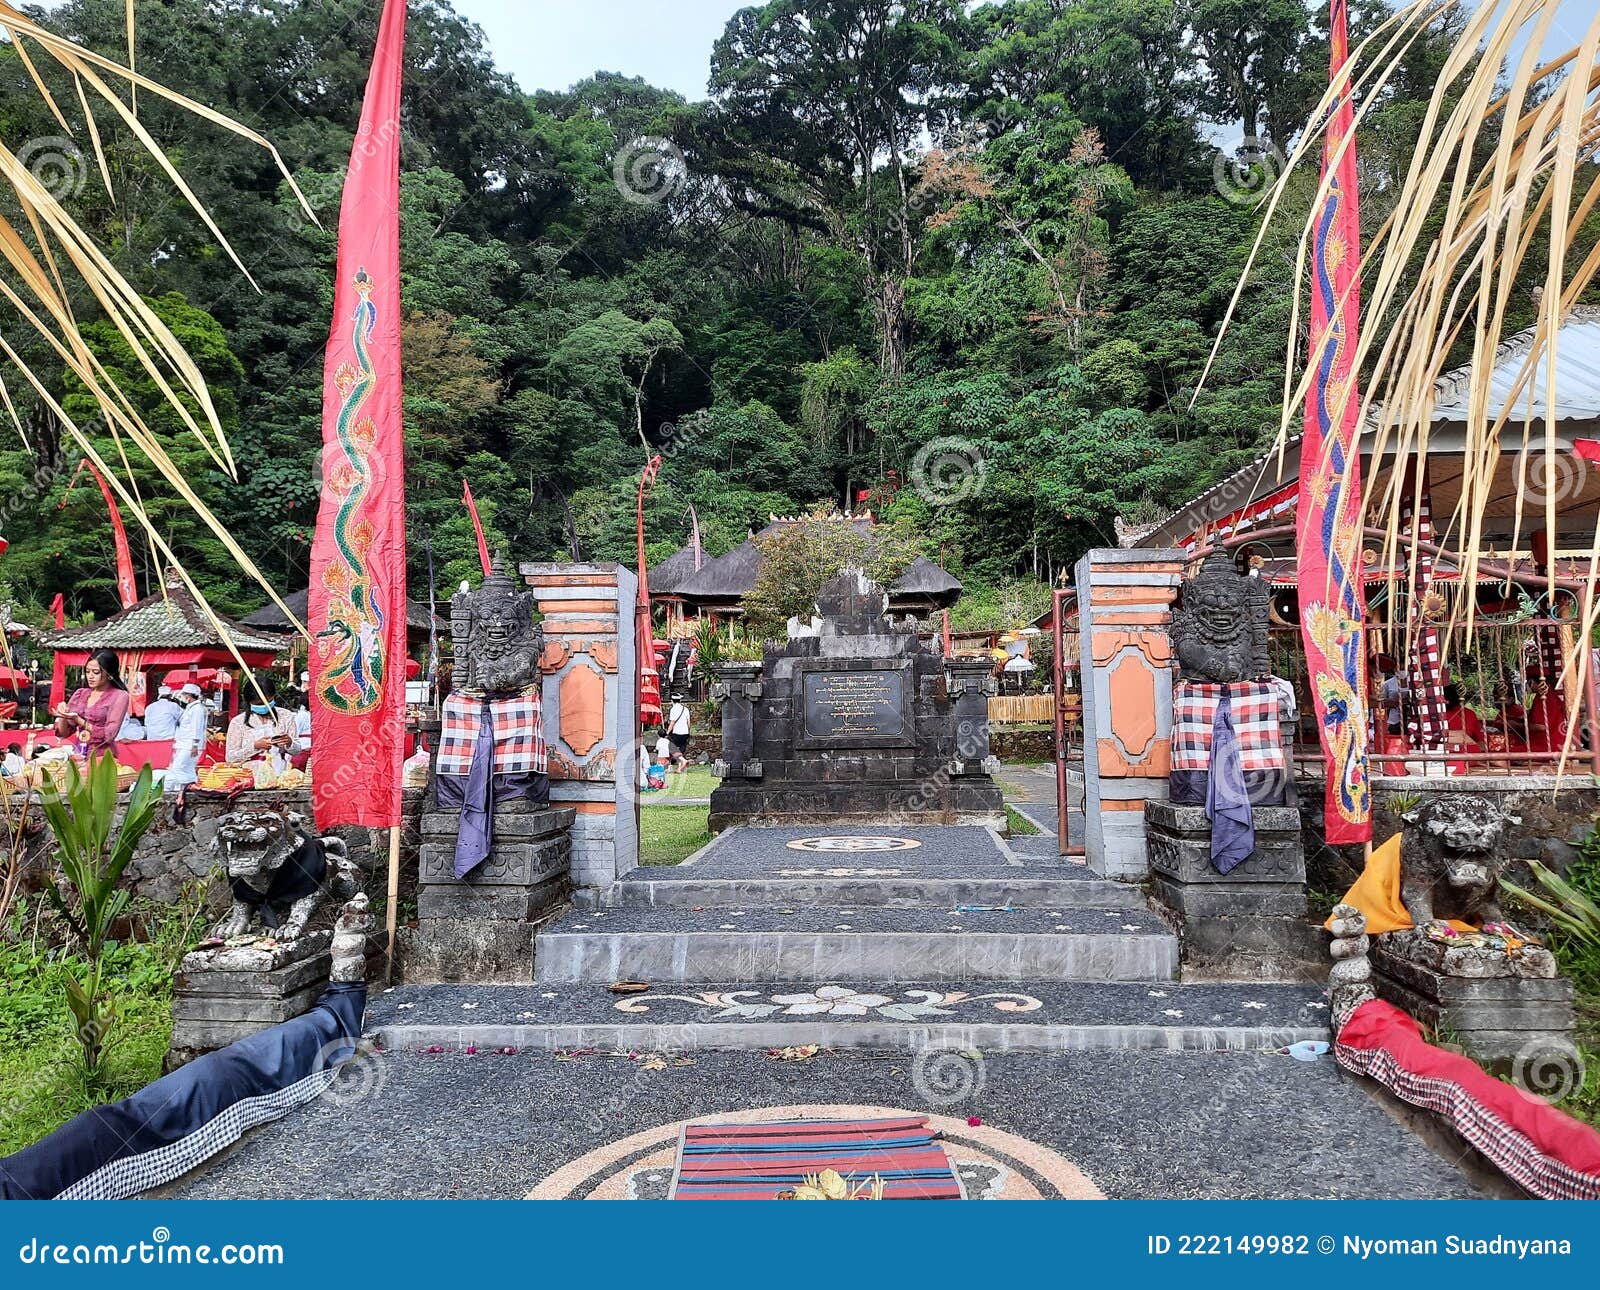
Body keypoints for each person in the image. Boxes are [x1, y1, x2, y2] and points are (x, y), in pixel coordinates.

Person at [51, 649, 129, 759]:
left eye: (96, 672)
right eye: (87, 672)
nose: (90, 676)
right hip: (80, 754)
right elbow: (64, 733)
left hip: (103, 757)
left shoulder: (120, 696)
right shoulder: (81, 693)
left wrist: (79, 720)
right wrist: (63, 715)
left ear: (109, 674)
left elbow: (109, 735)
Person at [225, 674, 302, 768]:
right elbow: (230, 757)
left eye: (268, 701)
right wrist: (255, 746)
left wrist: (289, 743)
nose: (265, 706)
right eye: (259, 704)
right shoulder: (238, 722)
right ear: (249, 702)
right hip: (249, 777)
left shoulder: (286, 716)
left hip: (279, 775)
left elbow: (297, 750)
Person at [165, 683, 209, 795]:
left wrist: (195, 744)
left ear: (189, 695)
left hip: (190, 744)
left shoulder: (197, 709)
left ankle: (175, 788)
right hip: (184, 743)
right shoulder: (190, 708)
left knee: (178, 767)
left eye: (184, 694)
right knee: (188, 769)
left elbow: (196, 727)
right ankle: (190, 788)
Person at [1442, 683, 1484, 775]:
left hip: (1449, 756)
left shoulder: (1440, 715)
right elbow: (1481, 742)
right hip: (1471, 756)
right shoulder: (1470, 713)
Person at [666, 692, 691, 771]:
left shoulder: (673, 709)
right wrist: (688, 732)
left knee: (672, 748)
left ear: (672, 700)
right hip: (685, 732)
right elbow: (688, 722)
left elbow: (672, 722)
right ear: (680, 700)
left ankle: (683, 761)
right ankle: (679, 768)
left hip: (677, 732)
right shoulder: (685, 709)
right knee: (680, 750)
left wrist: (667, 732)